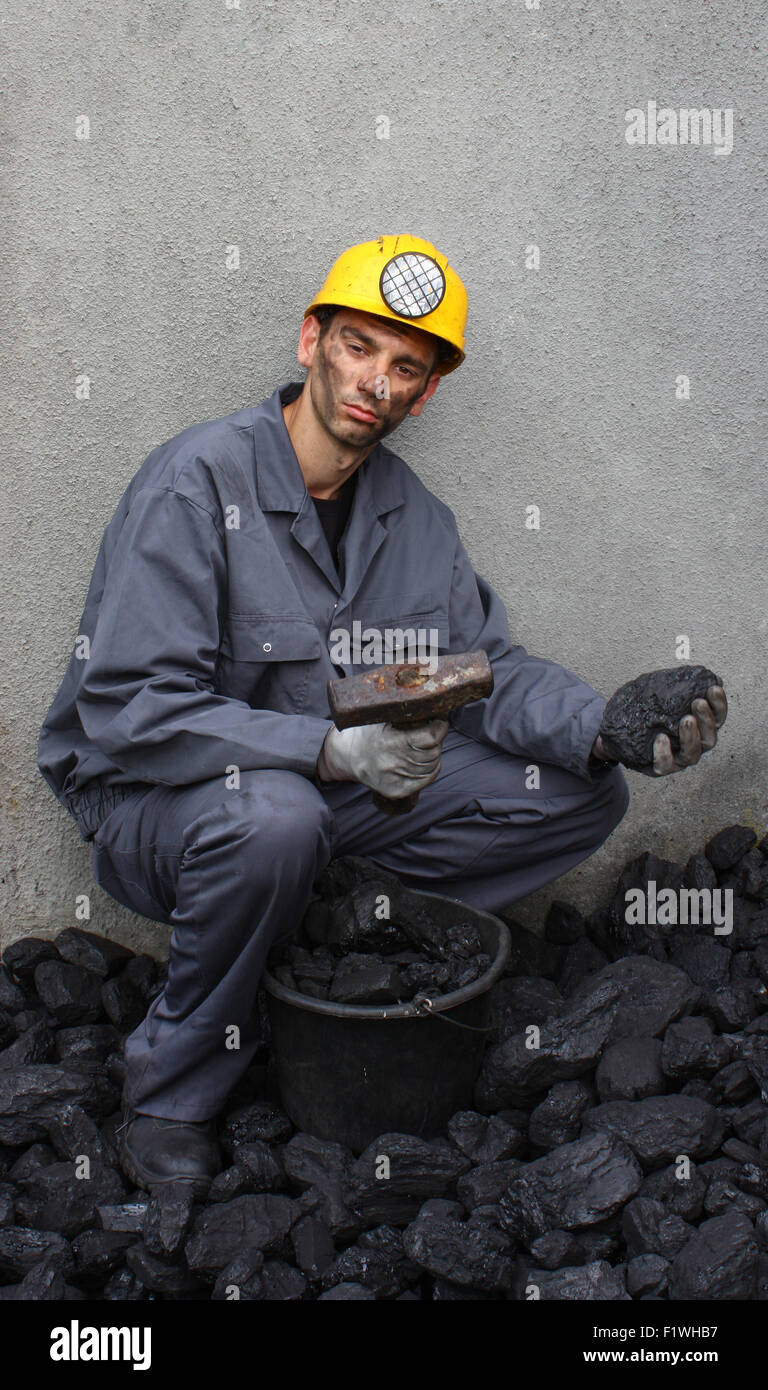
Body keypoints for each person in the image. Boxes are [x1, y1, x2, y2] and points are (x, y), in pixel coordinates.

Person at [37, 235, 727, 1196]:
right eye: (360, 347)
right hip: (165, 808)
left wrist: (602, 725)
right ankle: (172, 1091)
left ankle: (330, 929)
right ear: (311, 339)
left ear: (427, 392)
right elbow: (128, 709)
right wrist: (323, 749)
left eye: (407, 366)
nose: (378, 381)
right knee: (275, 818)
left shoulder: (414, 518)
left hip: (324, 812)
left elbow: (485, 673)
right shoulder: (195, 483)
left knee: (580, 793)